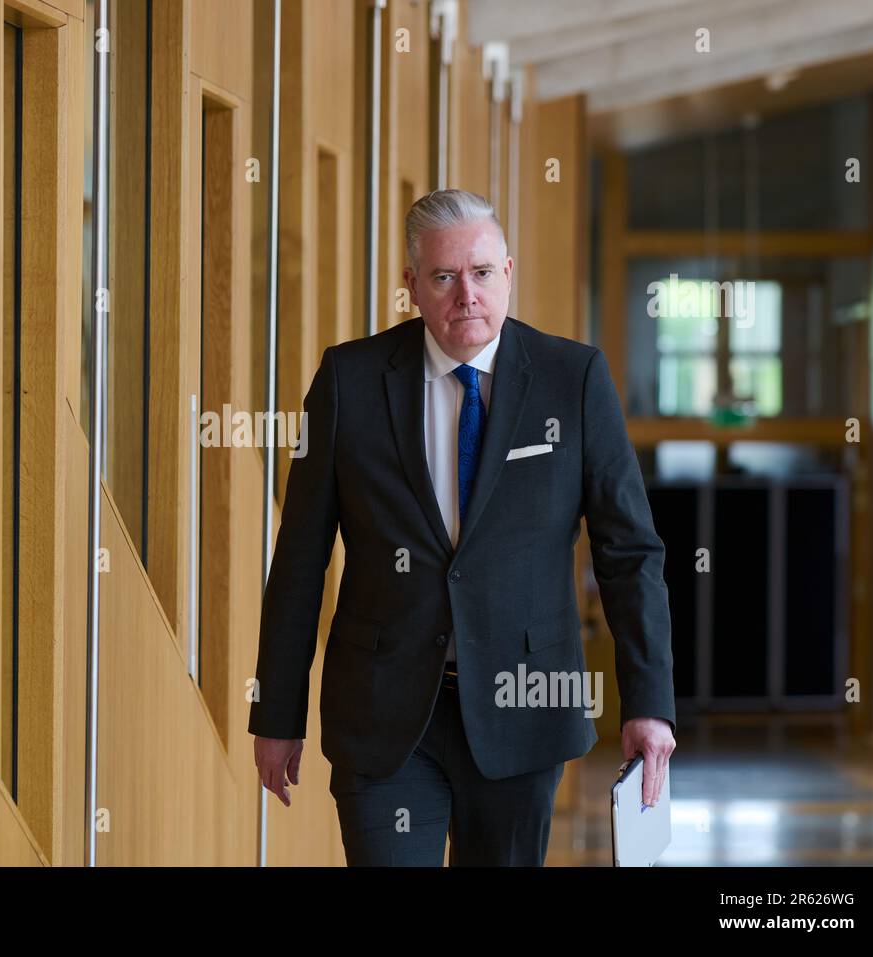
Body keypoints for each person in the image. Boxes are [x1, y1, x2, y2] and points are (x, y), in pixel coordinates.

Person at [248, 189, 676, 866]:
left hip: (524, 708)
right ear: (411, 284)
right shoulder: (349, 381)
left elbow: (629, 553)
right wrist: (276, 711)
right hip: (386, 717)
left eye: (480, 274)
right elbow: (300, 557)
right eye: (444, 277)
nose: (465, 296)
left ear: (508, 271)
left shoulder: (574, 379)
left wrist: (648, 702)